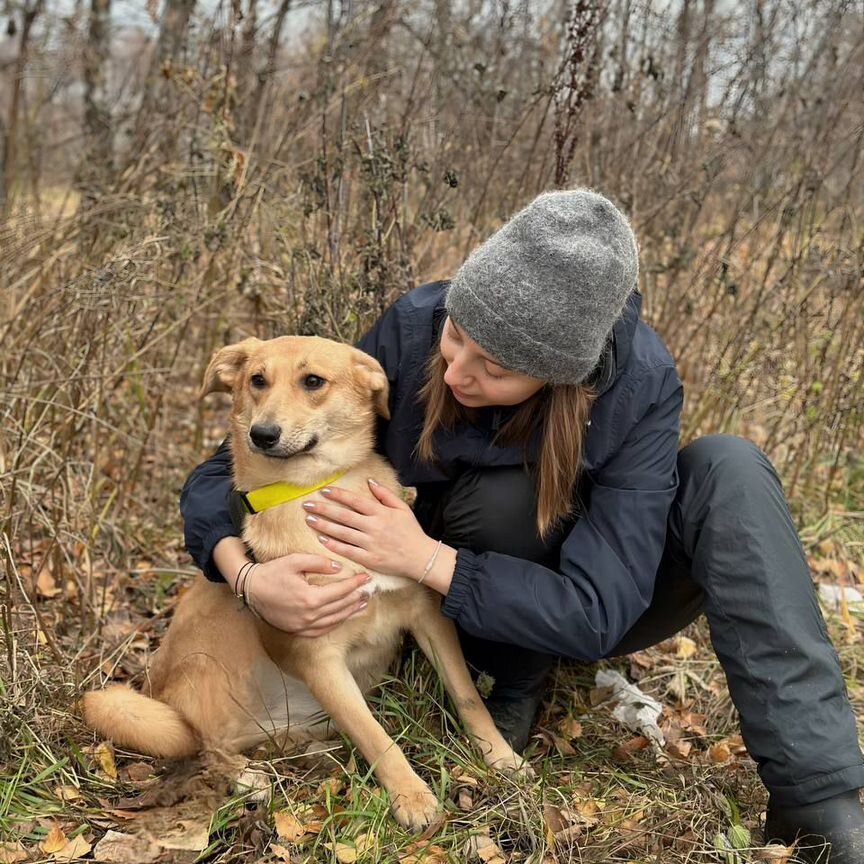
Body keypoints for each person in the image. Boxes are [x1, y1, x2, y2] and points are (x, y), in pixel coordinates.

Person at [180, 189, 864, 862]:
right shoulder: (415, 323)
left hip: (580, 601)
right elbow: (228, 471)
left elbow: (602, 611)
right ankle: (509, 676)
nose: (454, 372)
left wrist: (424, 560)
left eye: (495, 368)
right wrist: (245, 574)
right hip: (451, 608)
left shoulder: (640, 385)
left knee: (731, 468)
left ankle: (818, 793)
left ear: (558, 376)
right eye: (456, 337)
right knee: (496, 502)